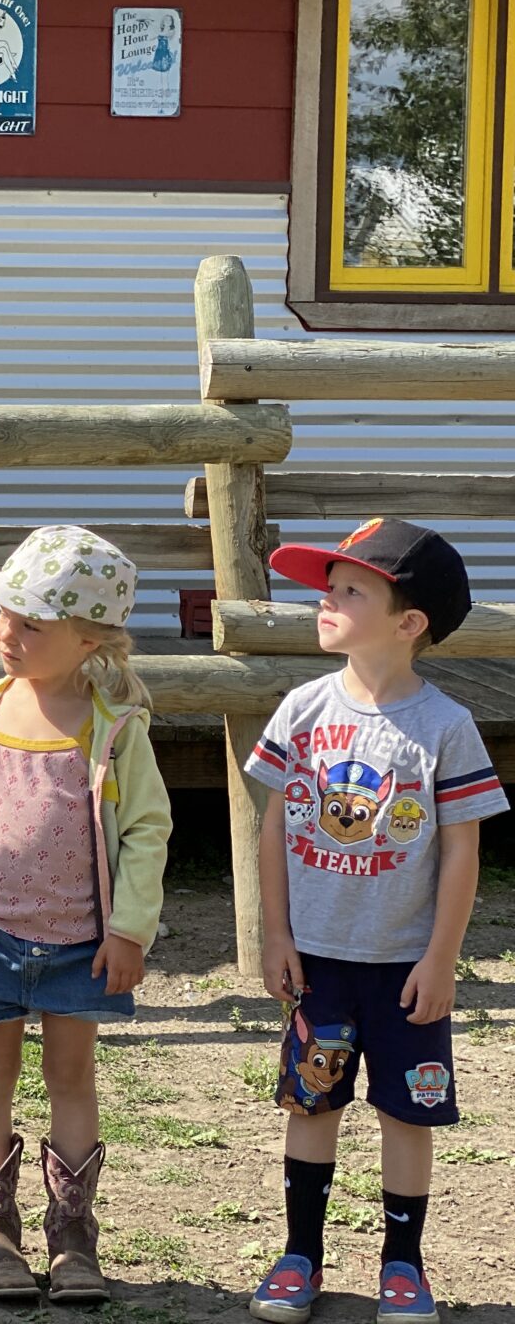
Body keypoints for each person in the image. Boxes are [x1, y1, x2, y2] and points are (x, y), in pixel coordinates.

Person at [244, 520, 507, 1324]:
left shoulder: (446, 727)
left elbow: (462, 853)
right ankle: (300, 1257)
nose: (325, 598)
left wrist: (442, 957)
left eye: (350, 588)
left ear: (409, 621)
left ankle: (404, 1265)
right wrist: (275, 934)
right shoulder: (301, 709)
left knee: (406, 1111)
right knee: (310, 1105)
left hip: (404, 966)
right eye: (328, 585)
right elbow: (275, 828)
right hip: (317, 959)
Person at [0, 526, 171, 1306]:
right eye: (4, 616)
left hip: (78, 946)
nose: (7, 634)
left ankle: (73, 1237)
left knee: (71, 1073)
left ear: (89, 639)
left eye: (31, 623)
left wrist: (129, 930)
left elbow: (147, 830)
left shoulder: (115, 729)